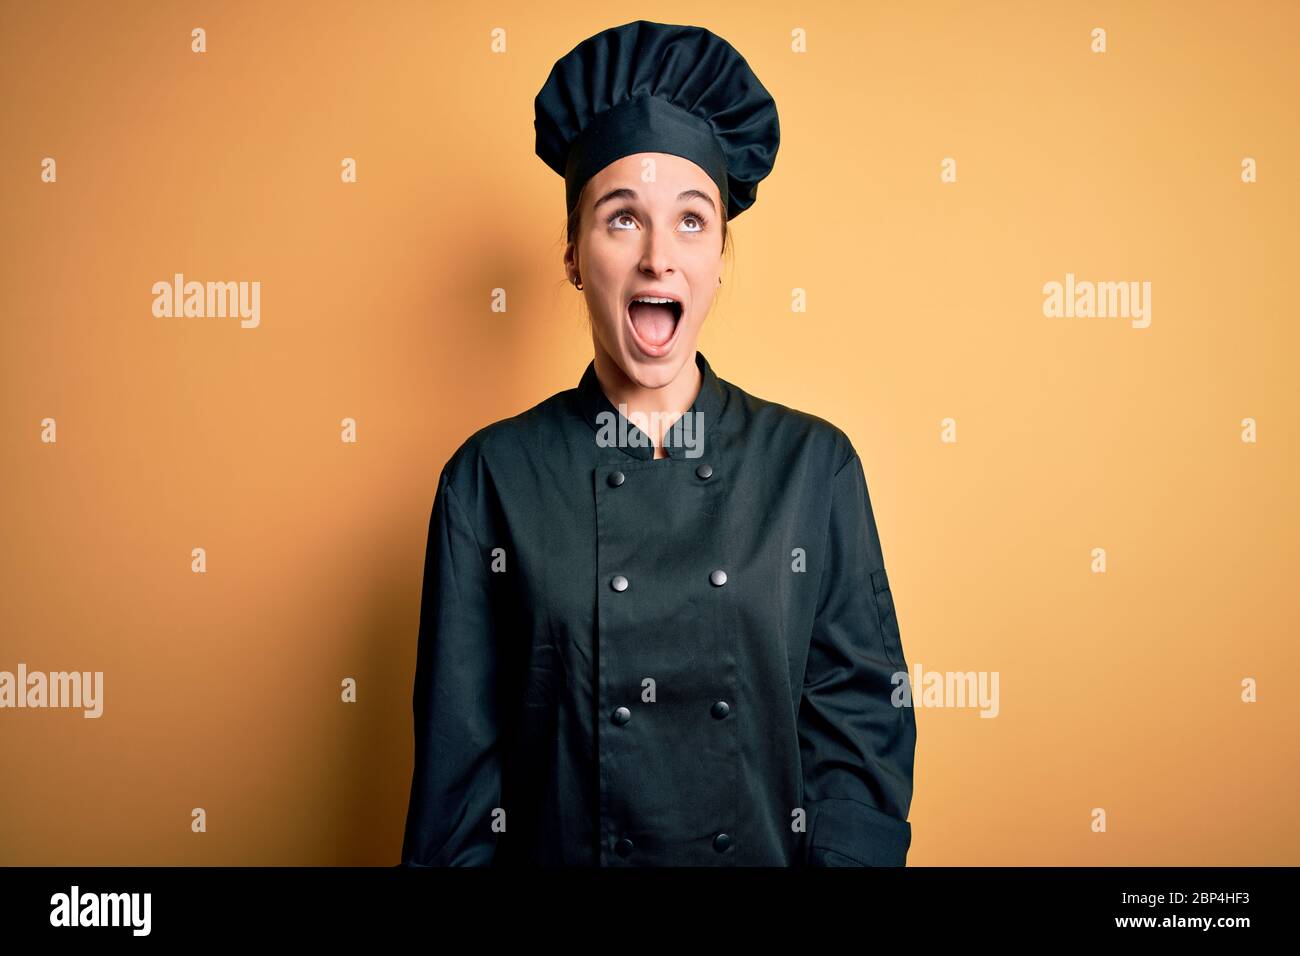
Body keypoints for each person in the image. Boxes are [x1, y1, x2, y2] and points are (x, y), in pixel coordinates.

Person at [400, 19, 916, 867]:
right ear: (572, 253)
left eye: (690, 221)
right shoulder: (488, 481)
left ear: (720, 256)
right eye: (620, 219)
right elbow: (461, 782)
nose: (656, 259)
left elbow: (859, 732)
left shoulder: (813, 469)